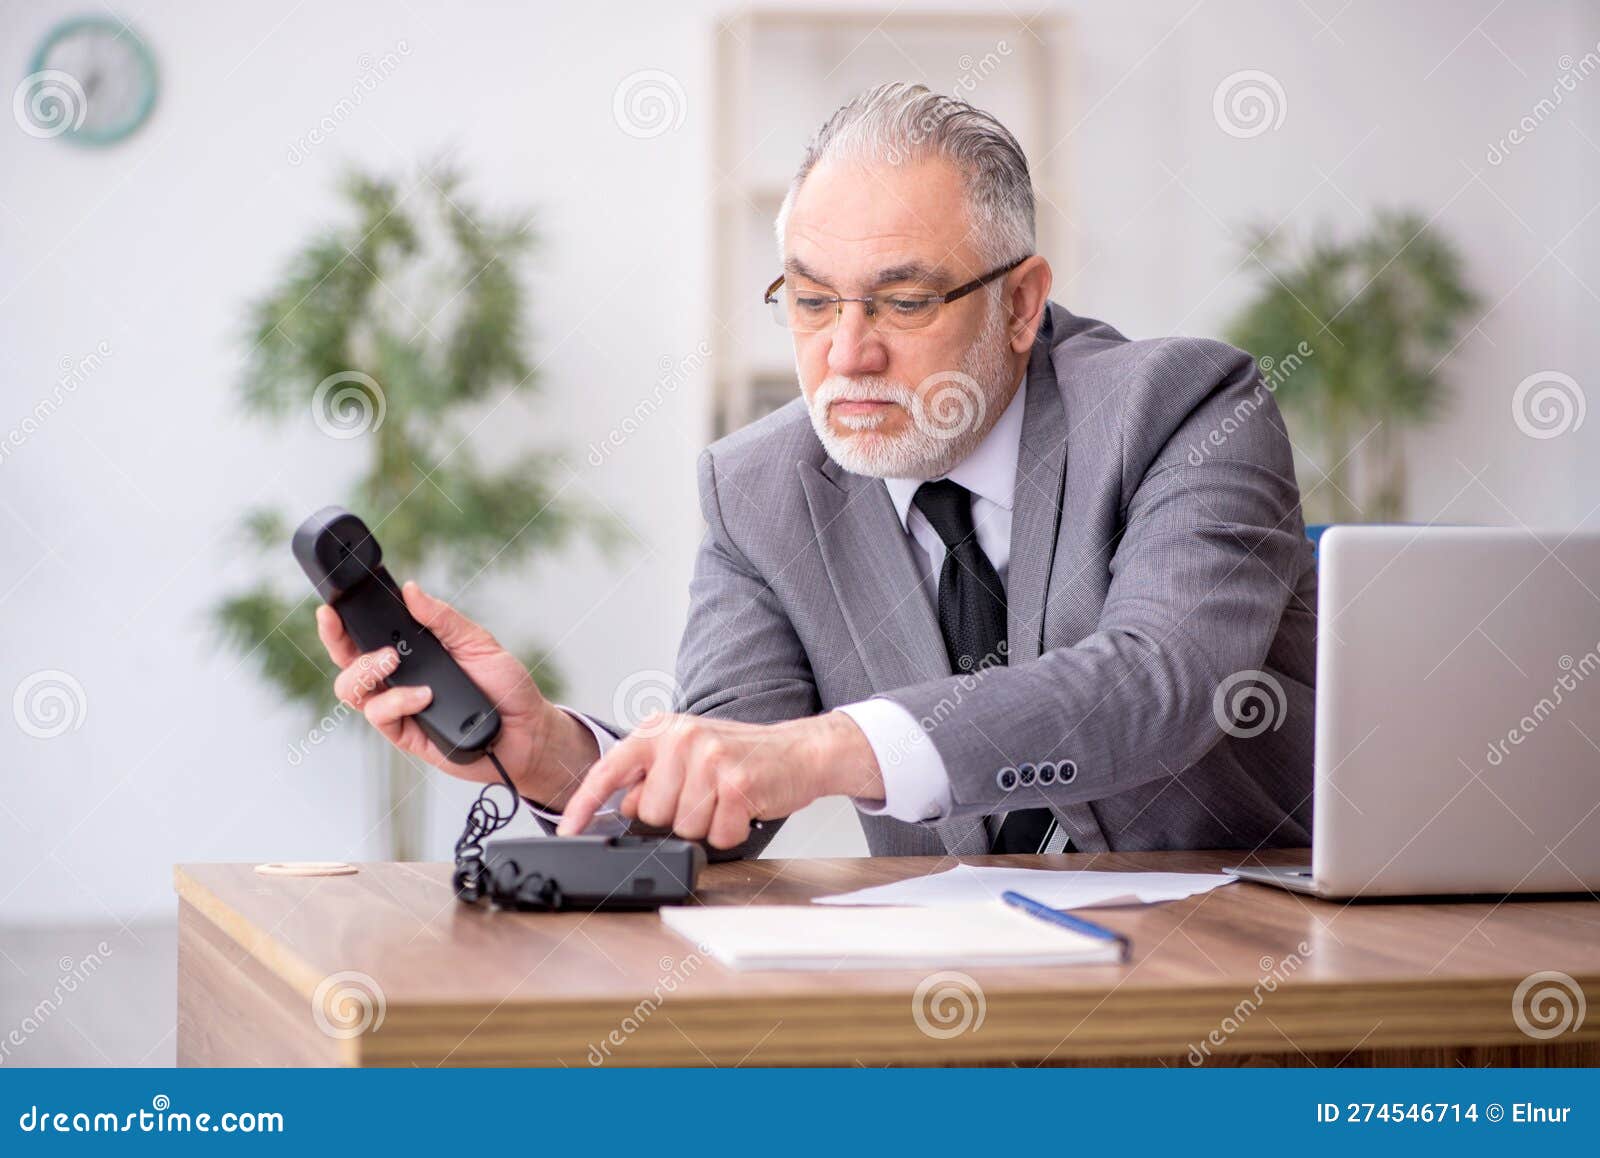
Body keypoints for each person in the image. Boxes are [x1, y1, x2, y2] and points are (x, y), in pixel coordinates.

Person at [318, 82, 1317, 860]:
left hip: (1247, 980)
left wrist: (824, 750)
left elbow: (1165, 683)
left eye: (902, 301)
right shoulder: (759, 488)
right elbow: (728, 786)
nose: (846, 355)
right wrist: (543, 750)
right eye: (808, 301)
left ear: (1020, 304)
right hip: (968, 1007)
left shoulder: (1184, 406)